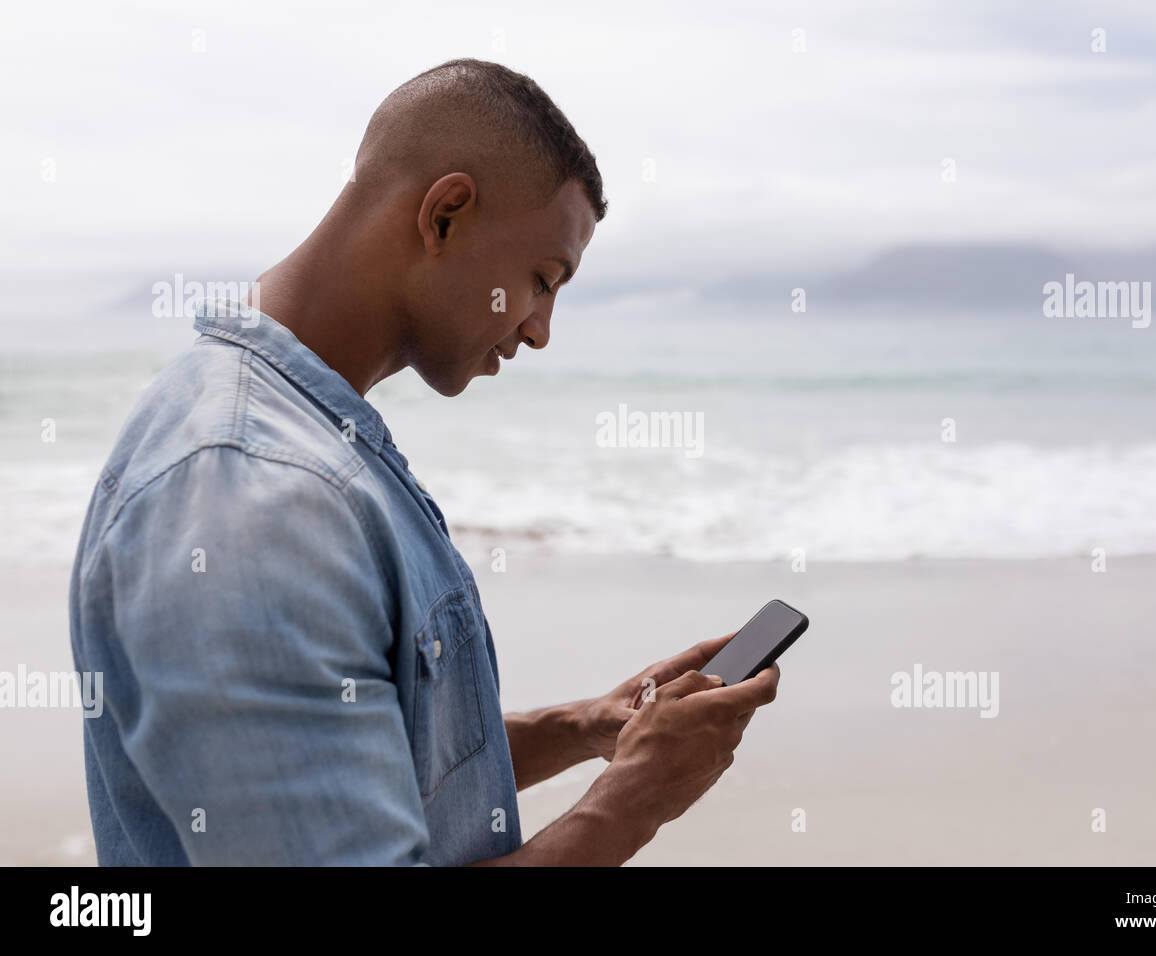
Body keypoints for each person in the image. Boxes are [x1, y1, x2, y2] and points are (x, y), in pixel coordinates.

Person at [68, 58, 779, 865]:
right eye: (542, 279)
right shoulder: (253, 495)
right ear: (445, 216)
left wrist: (585, 727)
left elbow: (360, 754)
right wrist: (634, 801)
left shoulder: (308, 431)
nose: (542, 329)